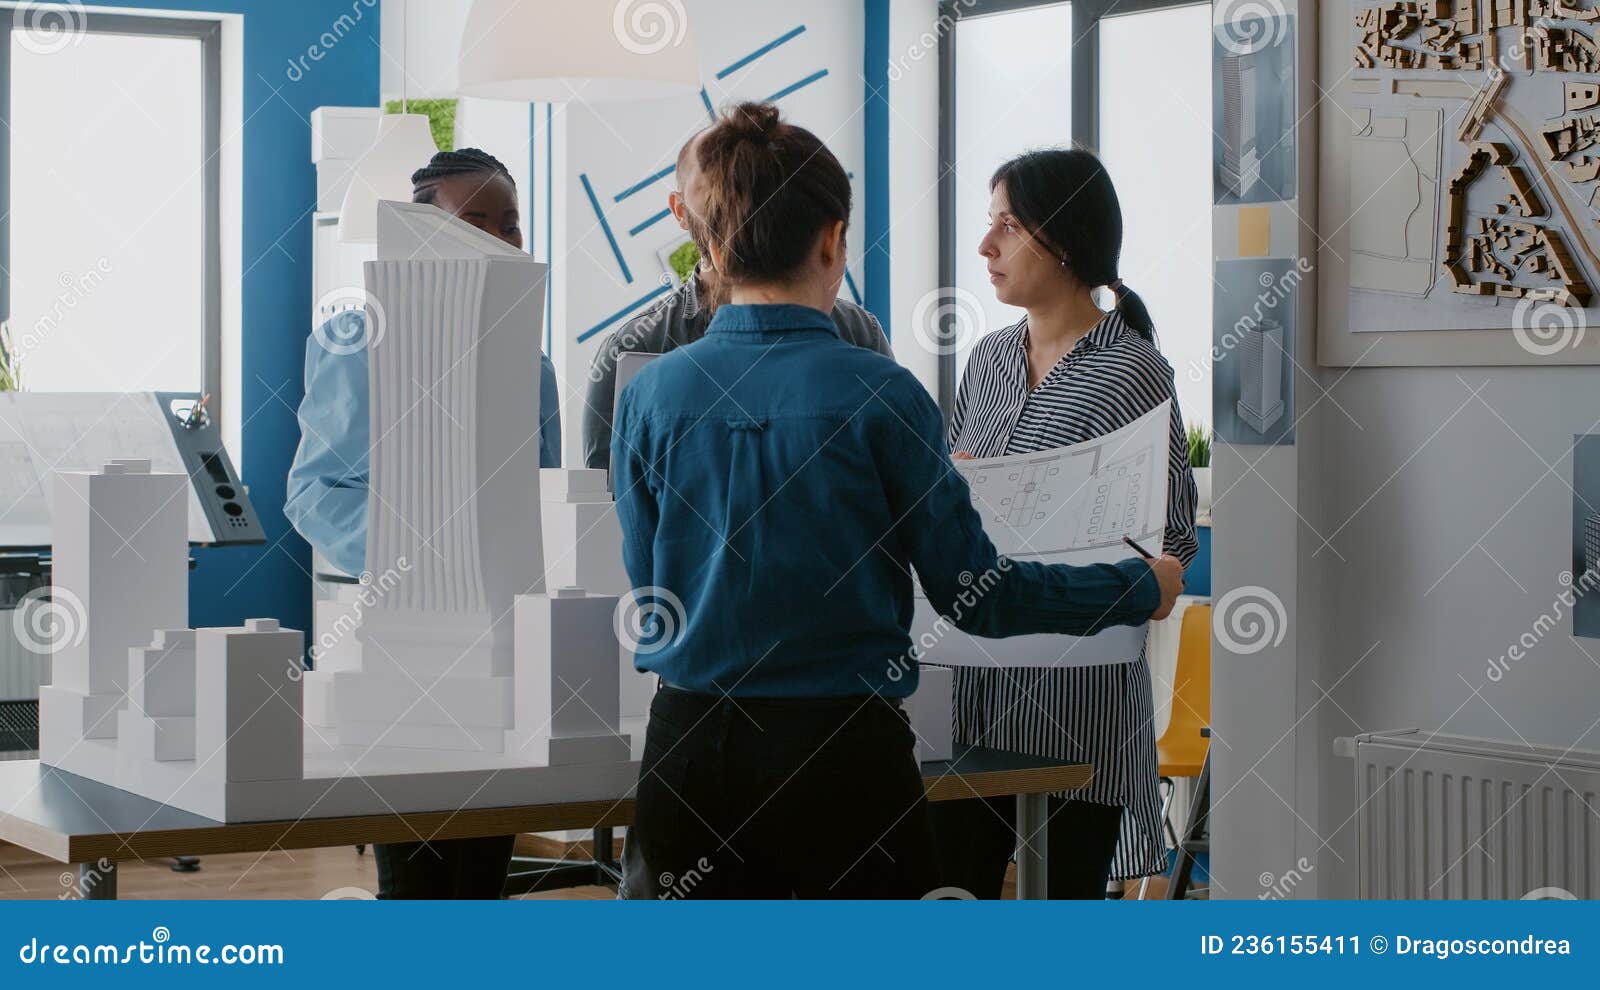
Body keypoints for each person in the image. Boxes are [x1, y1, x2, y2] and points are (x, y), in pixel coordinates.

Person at [611, 103, 1184, 899]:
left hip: (690, 751)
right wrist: (1139, 586)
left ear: (712, 239)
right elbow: (975, 594)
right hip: (842, 757)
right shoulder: (882, 393)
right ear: (833, 240)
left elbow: (651, 591)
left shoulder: (650, 394)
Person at [285, 148, 561, 900]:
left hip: (507, 652)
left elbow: (547, 499)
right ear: (420, 233)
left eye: (510, 225)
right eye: (475, 223)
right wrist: (422, 555)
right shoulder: (356, 340)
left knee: (483, 875)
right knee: (420, 876)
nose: (502, 241)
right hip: (408, 655)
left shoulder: (531, 364)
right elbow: (316, 491)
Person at [928, 148, 1200, 900]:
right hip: (967, 692)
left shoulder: (1133, 371)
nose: (986, 247)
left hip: (1077, 699)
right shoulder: (984, 360)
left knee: (1063, 915)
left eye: (1008, 227)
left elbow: (1171, 542)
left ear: (1066, 238)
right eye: (990, 226)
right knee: (954, 903)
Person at [580, 127, 891, 472]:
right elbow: (603, 505)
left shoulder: (859, 333)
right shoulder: (632, 348)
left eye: (741, 191)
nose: (729, 209)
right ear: (680, 210)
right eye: (713, 193)